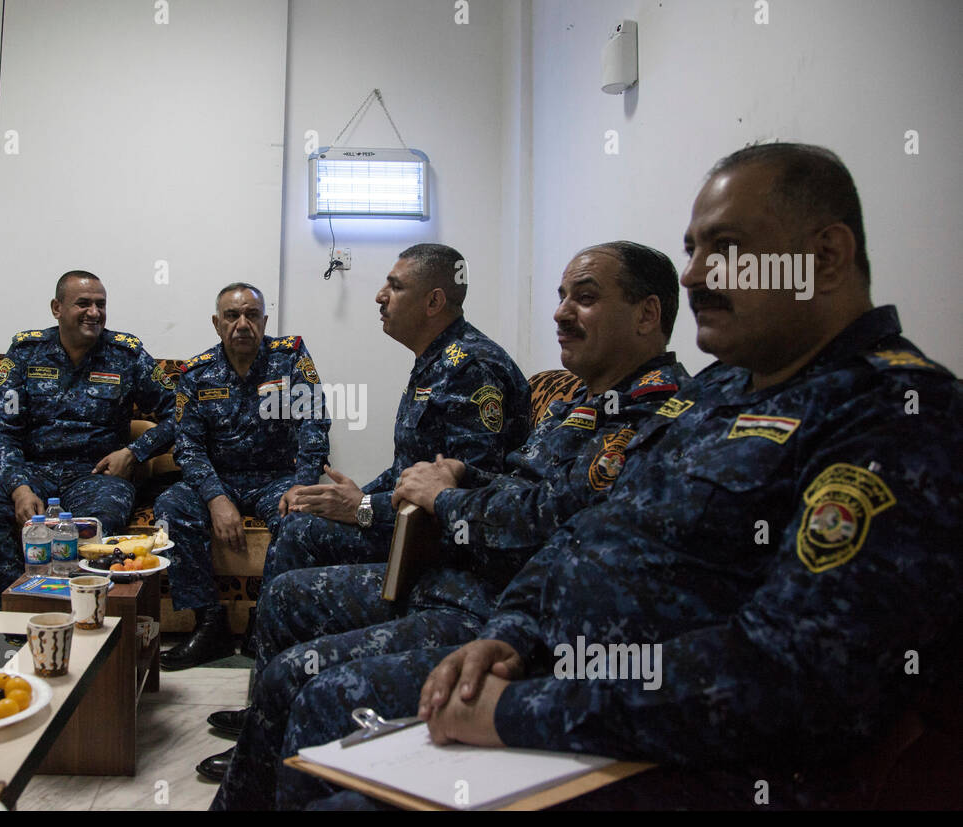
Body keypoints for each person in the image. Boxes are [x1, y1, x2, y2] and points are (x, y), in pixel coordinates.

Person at [272, 142, 962, 810]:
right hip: (559, 678)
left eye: (726, 248)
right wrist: (510, 633)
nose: (692, 275)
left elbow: (789, 676)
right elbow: (591, 529)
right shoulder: (718, 391)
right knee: (318, 766)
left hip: (688, 759)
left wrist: (519, 711)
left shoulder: (896, 415)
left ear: (826, 256)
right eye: (692, 249)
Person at [207, 242, 690, 798]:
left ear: (647, 315)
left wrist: (372, 507)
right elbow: (474, 481)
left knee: (304, 671)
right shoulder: (581, 401)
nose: (559, 312)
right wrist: (377, 494)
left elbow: (537, 518)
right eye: (560, 297)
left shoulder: (489, 372)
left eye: (583, 298)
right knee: (293, 566)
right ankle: (261, 739)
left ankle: (267, 741)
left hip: (478, 589)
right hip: (463, 575)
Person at [262, 244, 533, 579]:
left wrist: (362, 508)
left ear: (434, 302)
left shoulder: (471, 369)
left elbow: (469, 496)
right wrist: (347, 497)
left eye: (396, 286)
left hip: (452, 551)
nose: (380, 295)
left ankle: (275, 628)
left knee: (297, 532)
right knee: (302, 515)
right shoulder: (435, 361)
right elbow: (407, 471)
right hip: (413, 525)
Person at [0, 270, 176, 610]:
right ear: (57, 308)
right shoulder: (26, 353)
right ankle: (17, 605)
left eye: (100, 304)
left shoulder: (126, 355)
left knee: (96, 522)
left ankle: (77, 613)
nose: (94, 313)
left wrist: (133, 452)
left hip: (96, 477)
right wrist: (19, 486)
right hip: (33, 472)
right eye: (83, 304)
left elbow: (181, 414)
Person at [154, 283, 330, 670]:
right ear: (217, 324)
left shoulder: (291, 359)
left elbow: (314, 424)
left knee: (299, 517)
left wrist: (302, 483)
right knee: (170, 505)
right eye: (232, 316)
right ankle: (208, 625)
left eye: (252, 315)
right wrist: (217, 499)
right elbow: (188, 446)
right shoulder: (196, 373)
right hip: (220, 479)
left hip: (278, 478)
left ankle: (264, 624)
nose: (243, 324)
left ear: (265, 321)